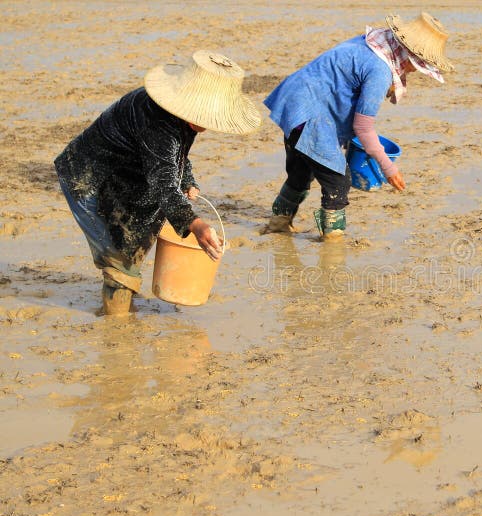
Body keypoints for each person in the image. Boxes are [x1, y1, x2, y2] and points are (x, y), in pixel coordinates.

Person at [55, 50, 261, 314]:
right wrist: (194, 224)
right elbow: (163, 181)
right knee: (118, 260)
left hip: (126, 179)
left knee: (133, 246)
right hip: (90, 178)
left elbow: (176, 155)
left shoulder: (183, 116)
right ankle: (116, 329)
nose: (206, 124)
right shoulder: (156, 121)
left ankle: (121, 306)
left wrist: (187, 179)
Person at [263, 12, 454, 240]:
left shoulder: (372, 42)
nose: (414, 71)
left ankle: (277, 225)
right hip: (310, 117)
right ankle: (332, 242)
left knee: (301, 172)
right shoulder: (380, 71)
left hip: (293, 104)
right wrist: (389, 168)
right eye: (417, 66)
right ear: (409, 56)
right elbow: (363, 127)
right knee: (338, 183)